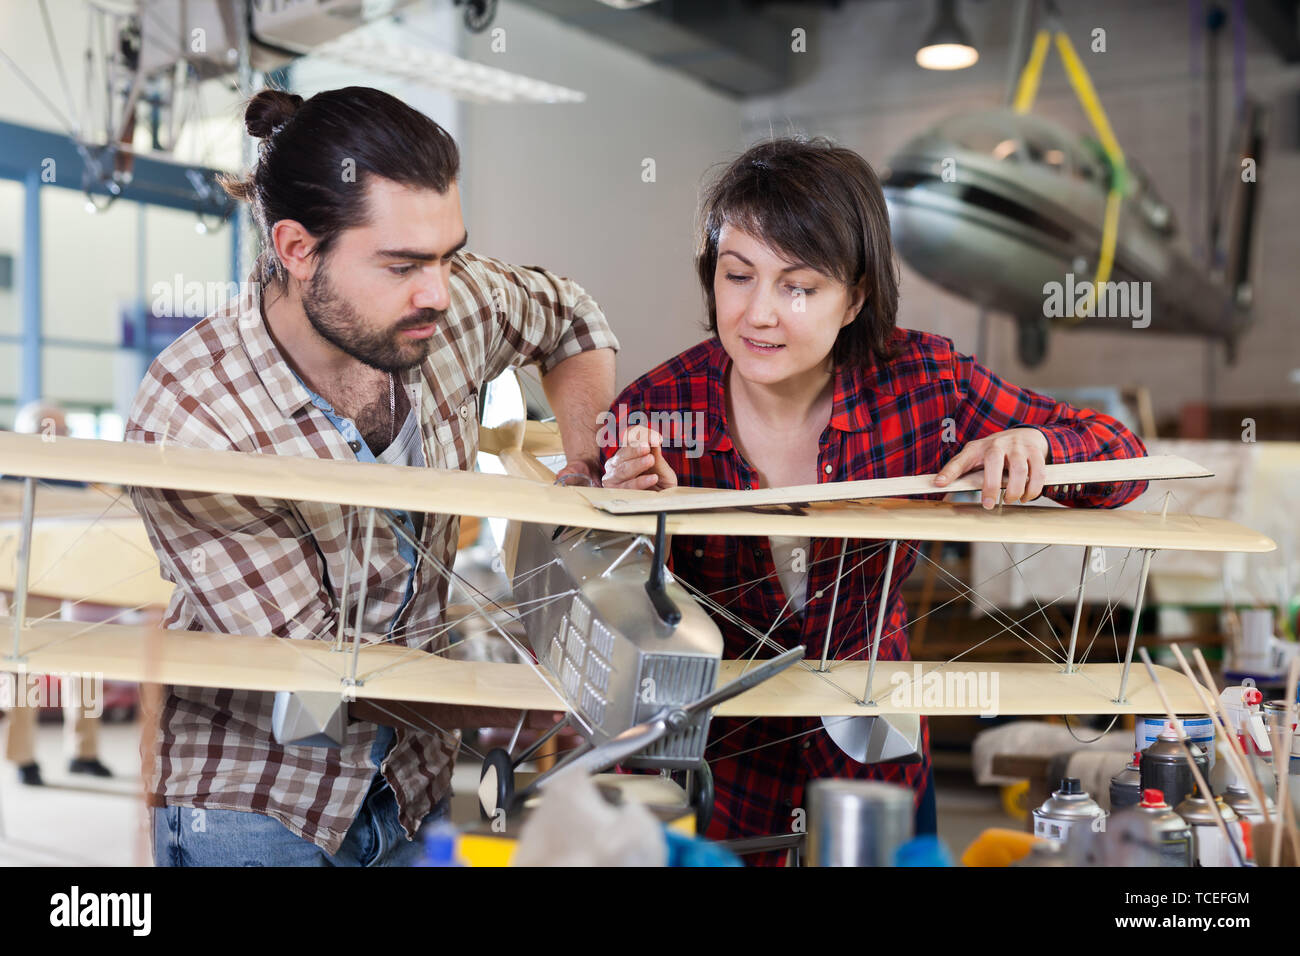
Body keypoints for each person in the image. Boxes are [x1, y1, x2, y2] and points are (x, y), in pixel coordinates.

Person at [601, 137, 1148, 865]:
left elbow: (1125, 455)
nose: (758, 313)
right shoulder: (659, 407)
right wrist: (618, 519)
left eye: (799, 286)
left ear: (856, 296)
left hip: (874, 739)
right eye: (738, 276)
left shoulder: (926, 384)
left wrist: (1040, 451)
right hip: (713, 754)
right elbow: (600, 592)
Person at [127, 86, 618, 866]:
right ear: (296, 248)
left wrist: (593, 466)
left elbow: (572, 317)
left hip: (416, 784)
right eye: (402, 264)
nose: (441, 292)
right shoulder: (193, 413)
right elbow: (320, 679)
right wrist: (542, 695)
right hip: (260, 802)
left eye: (449, 254)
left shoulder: (447, 307)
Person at [2, 402, 114, 785]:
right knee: (24, 669)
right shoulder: (9, 474)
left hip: (78, 577)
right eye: (49, 427)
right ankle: (23, 758)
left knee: (87, 663)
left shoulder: (74, 474)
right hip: (25, 577)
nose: (58, 435)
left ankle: (84, 752)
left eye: (64, 429)